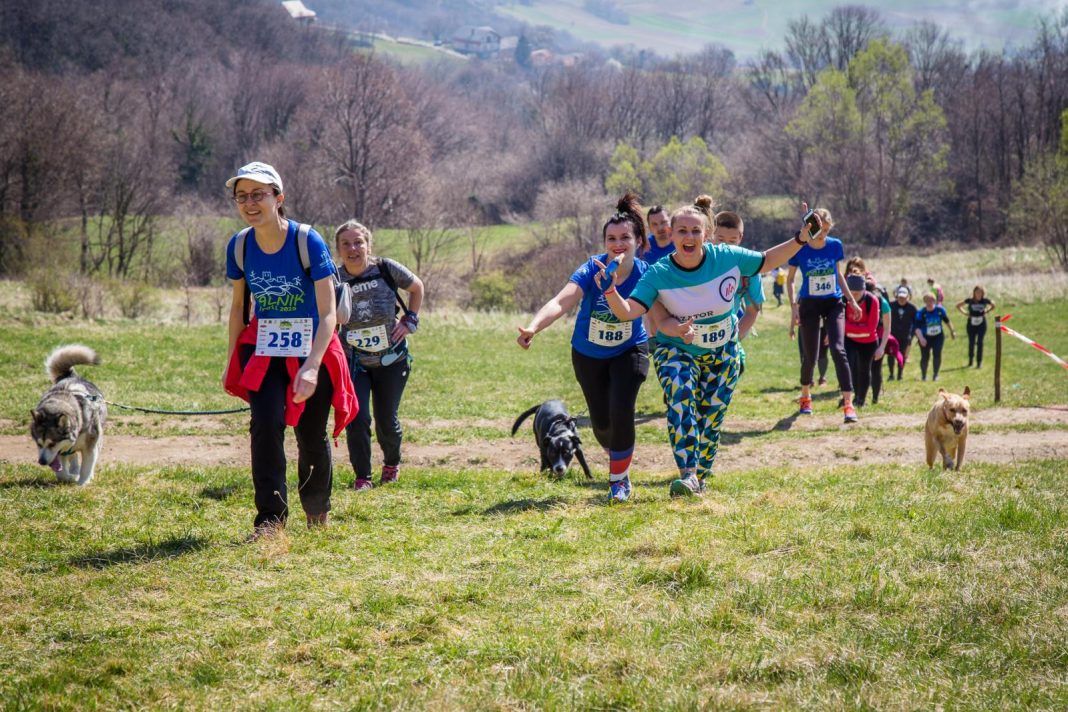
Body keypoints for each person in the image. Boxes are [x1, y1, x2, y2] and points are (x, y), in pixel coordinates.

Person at [600, 200, 818, 497]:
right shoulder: (658, 273)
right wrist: (611, 290)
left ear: (707, 233)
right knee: (680, 396)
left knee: (710, 416)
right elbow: (627, 312)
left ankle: (699, 477)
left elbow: (766, 261)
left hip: (723, 350)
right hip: (676, 349)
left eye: (695, 231)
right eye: (681, 231)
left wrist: (801, 239)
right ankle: (687, 474)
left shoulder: (727, 257)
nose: (688, 237)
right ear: (672, 235)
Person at [223, 162, 357, 538]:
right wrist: (231, 361)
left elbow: (329, 312)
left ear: (278, 198)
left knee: (310, 433)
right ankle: (270, 521)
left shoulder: (306, 240)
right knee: (265, 427)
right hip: (266, 349)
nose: (250, 204)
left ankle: (317, 513)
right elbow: (238, 308)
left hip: (313, 346)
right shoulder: (239, 246)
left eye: (259, 195)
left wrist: (312, 367)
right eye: (242, 196)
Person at [517, 194, 650, 503]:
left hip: (630, 349)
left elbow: (661, 309)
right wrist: (534, 326)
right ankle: (615, 451)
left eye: (625, 238)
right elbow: (562, 300)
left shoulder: (646, 274)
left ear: (638, 241)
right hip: (588, 355)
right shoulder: (593, 268)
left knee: (622, 409)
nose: (618, 244)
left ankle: (619, 481)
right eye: (611, 239)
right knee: (602, 423)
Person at [335, 220, 424, 490]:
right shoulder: (334, 278)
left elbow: (416, 287)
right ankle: (363, 477)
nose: (353, 248)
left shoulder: (385, 268)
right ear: (338, 249)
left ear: (368, 245)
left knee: (387, 419)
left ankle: (391, 464)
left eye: (358, 242)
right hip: (354, 362)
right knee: (358, 418)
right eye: (346, 244)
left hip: (391, 361)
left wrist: (409, 320)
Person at [785, 206, 862, 422]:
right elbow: (790, 279)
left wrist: (851, 301)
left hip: (833, 302)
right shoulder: (799, 248)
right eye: (820, 230)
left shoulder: (835, 245)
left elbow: (838, 274)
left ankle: (848, 403)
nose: (823, 235)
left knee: (838, 349)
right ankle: (806, 396)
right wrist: (794, 306)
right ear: (812, 228)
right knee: (811, 355)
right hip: (809, 303)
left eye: (827, 230)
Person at [711, 210, 763, 377]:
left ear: (740, 238)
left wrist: (732, 340)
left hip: (727, 337)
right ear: (711, 234)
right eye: (720, 240)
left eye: (732, 241)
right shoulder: (698, 260)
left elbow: (753, 310)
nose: (726, 247)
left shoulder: (750, 267)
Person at [843, 273, 889, 408]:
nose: (855, 296)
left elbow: (870, 328)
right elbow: (840, 323)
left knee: (864, 370)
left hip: (868, 343)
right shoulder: (844, 299)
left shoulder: (873, 301)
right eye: (852, 293)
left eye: (858, 293)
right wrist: (858, 328)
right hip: (849, 340)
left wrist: (849, 327)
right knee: (850, 367)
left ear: (864, 290)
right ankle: (851, 397)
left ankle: (861, 400)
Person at [914, 292, 955, 381]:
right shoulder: (921, 312)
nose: (929, 302)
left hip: (938, 337)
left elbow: (947, 321)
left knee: (937, 355)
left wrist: (952, 331)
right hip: (925, 337)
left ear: (934, 301)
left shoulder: (940, 310)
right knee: (925, 357)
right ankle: (924, 375)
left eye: (932, 300)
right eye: (927, 300)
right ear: (924, 301)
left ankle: (935, 374)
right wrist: (921, 338)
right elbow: (917, 327)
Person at [865, 276, 892, 405]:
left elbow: (887, 327)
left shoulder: (881, 302)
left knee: (870, 369)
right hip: (875, 337)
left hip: (875, 337)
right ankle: (871, 398)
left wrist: (881, 347)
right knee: (875, 369)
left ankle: (865, 398)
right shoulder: (883, 301)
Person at [957, 285, 995, 368]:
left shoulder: (985, 300)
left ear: (983, 293)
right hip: (971, 324)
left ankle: (979, 362)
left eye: (980, 292)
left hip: (982, 323)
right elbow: (958, 306)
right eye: (977, 292)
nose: (978, 294)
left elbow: (993, 305)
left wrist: (986, 311)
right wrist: (965, 313)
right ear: (974, 293)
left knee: (980, 342)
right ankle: (970, 361)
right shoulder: (970, 300)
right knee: (971, 342)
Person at [888, 286, 918, 380]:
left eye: (904, 298)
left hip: (905, 336)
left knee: (902, 355)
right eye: (900, 297)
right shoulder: (891, 305)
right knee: (891, 355)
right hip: (892, 335)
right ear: (897, 296)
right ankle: (891, 374)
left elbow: (916, 323)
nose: (902, 299)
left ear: (907, 297)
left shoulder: (912, 308)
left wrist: (912, 335)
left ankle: (899, 375)